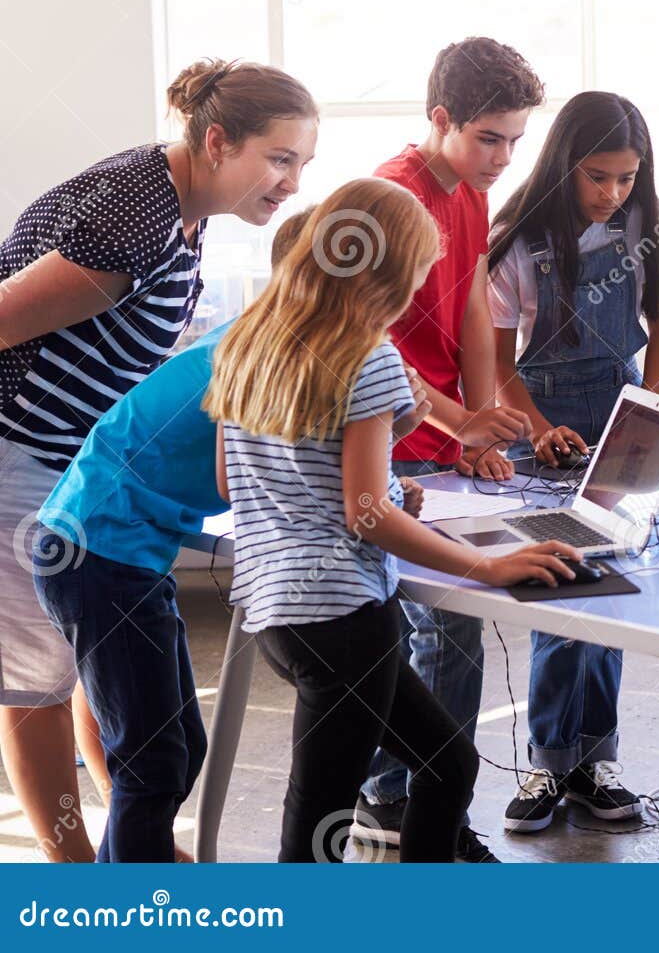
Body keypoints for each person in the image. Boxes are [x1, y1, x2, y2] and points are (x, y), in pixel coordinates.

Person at [205, 178, 584, 863]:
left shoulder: (249, 341)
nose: (420, 287)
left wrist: (375, 489)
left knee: (447, 765)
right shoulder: (366, 355)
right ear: (387, 271)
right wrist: (487, 565)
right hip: (343, 619)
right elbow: (366, 515)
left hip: (275, 615)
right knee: (314, 836)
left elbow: (235, 482)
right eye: (418, 271)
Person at [0, 58, 316, 861]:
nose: (291, 183)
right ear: (218, 141)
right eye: (279, 159)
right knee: (38, 681)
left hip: (71, 462)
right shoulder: (137, 215)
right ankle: (76, 873)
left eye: (303, 165)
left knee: (89, 660)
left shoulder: (184, 206)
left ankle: (128, 840)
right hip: (21, 453)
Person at [30, 209, 410, 862]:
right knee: (154, 763)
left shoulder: (266, 338)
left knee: (178, 749)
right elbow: (249, 481)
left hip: (114, 546)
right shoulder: (264, 355)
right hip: (97, 549)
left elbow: (287, 465)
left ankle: (122, 876)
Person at [354, 37, 546, 862]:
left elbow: (470, 300)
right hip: (385, 436)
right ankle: (417, 804)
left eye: (514, 140)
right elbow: (364, 343)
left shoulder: (469, 193)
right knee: (442, 627)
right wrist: (452, 425)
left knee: (440, 627)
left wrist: (479, 417)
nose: (503, 158)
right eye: (489, 138)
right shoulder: (387, 198)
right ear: (441, 119)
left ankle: (399, 794)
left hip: (436, 438)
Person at [486, 90, 659, 832]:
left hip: (620, 418)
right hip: (544, 428)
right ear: (564, 164)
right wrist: (535, 427)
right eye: (597, 177)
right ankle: (546, 759)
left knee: (604, 594)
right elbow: (499, 365)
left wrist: (650, 408)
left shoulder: (645, 226)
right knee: (558, 594)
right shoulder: (515, 241)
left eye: (627, 178)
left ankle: (595, 759)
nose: (612, 193)